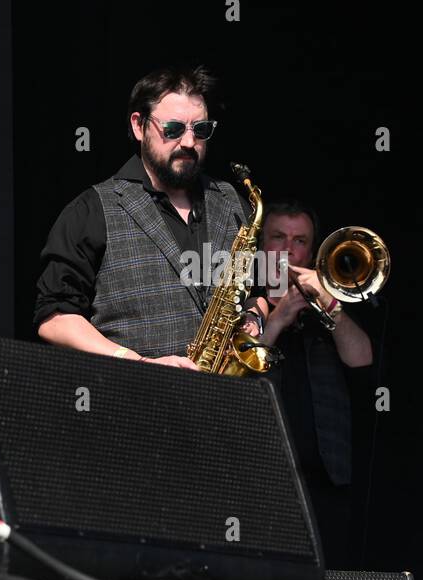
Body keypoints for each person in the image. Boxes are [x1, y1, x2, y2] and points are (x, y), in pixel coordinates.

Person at [35, 65, 264, 365]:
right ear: (138, 126)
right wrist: (137, 362)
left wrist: (254, 318)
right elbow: (54, 318)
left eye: (201, 129)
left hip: (222, 402)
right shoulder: (91, 210)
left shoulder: (233, 204)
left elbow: (258, 292)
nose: (188, 142)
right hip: (131, 401)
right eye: (173, 129)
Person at [259, 200, 375, 566]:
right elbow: (233, 375)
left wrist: (331, 305)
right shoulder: (239, 304)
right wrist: (276, 320)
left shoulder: (325, 316)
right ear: (260, 246)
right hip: (262, 483)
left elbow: (363, 360)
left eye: (300, 241)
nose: (288, 250)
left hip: (324, 485)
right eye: (278, 237)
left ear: (311, 252)